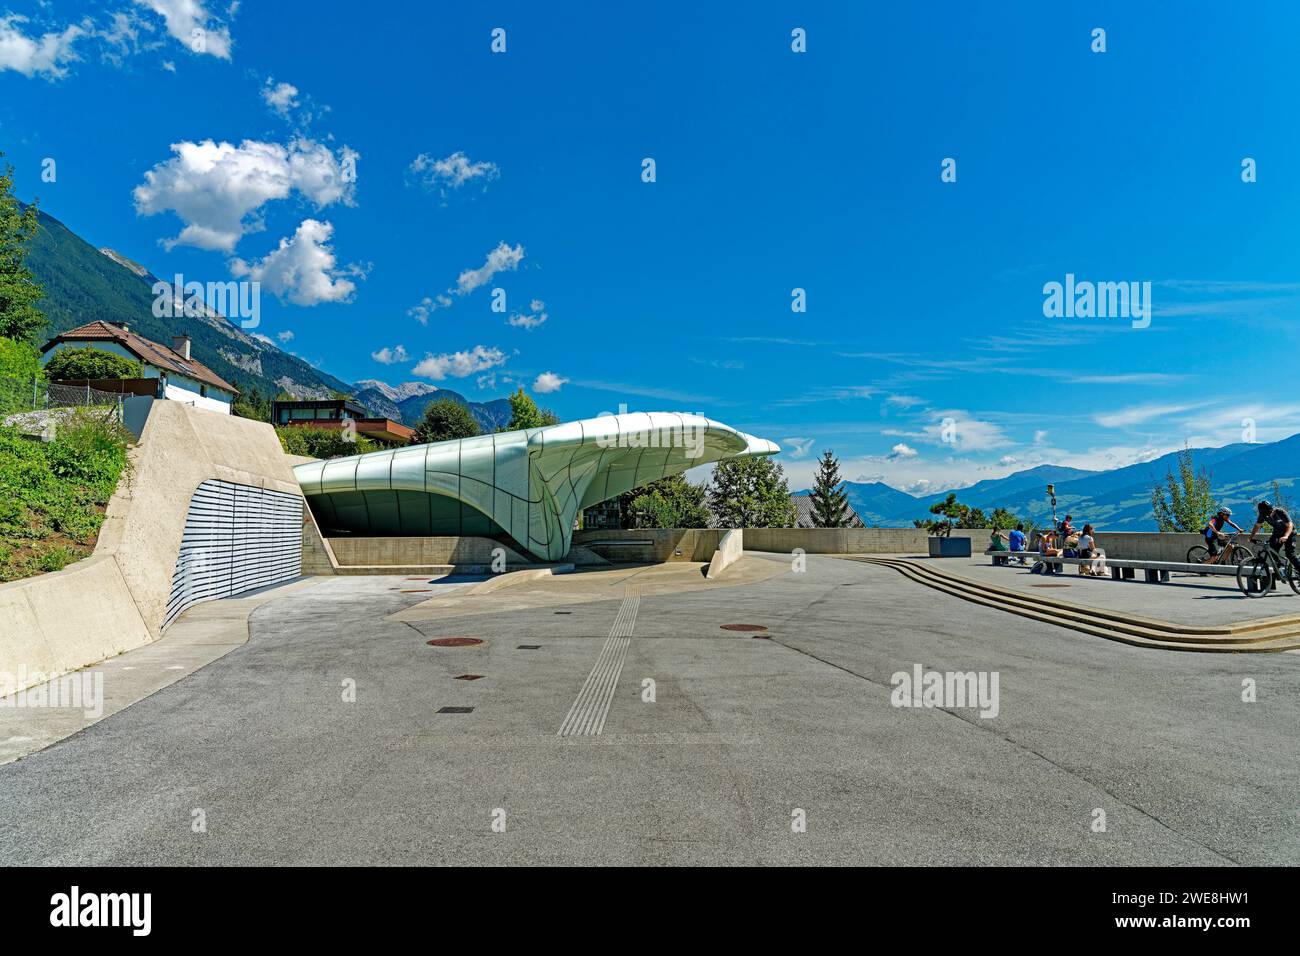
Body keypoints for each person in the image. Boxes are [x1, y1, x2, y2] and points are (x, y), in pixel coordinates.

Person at [1249, 500, 1298, 573]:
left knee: (1290, 554)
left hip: (1290, 533)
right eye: (1267, 514)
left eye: (1271, 511)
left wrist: (1286, 536)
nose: (1270, 515)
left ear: (1272, 508)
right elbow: (1257, 526)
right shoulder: (1263, 515)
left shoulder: (1280, 512)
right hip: (1277, 533)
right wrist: (1251, 537)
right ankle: (1279, 568)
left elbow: (1290, 525)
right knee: (1271, 550)